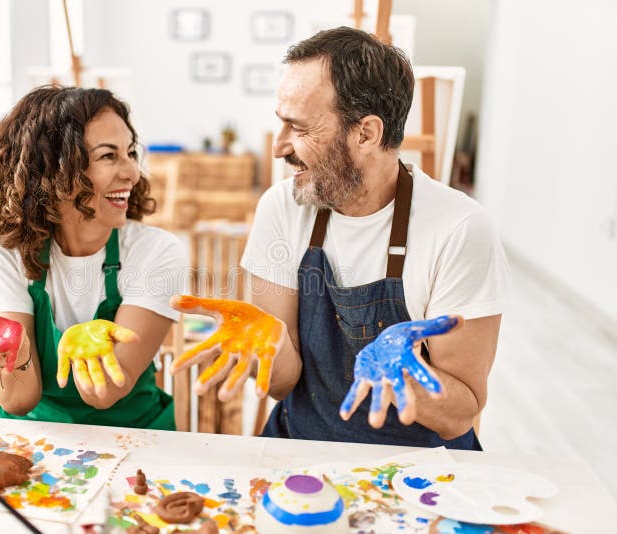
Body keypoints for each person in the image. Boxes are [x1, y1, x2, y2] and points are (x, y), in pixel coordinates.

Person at [170, 27, 509, 449]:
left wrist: (406, 380)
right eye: (281, 124)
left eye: (299, 128)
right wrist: (269, 343)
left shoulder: (459, 229)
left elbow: (460, 414)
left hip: (421, 468)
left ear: (365, 133)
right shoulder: (283, 207)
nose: (278, 148)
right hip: (302, 445)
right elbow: (284, 383)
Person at [0, 86, 186, 430]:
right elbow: (18, 400)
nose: (132, 172)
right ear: (53, 171)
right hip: (31, 435)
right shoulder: (8, 249)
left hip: (129, 433)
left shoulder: (156, 251)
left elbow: (105, 393)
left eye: (129, 153)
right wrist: (14, 347)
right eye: (108, 156)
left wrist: (86, 343)